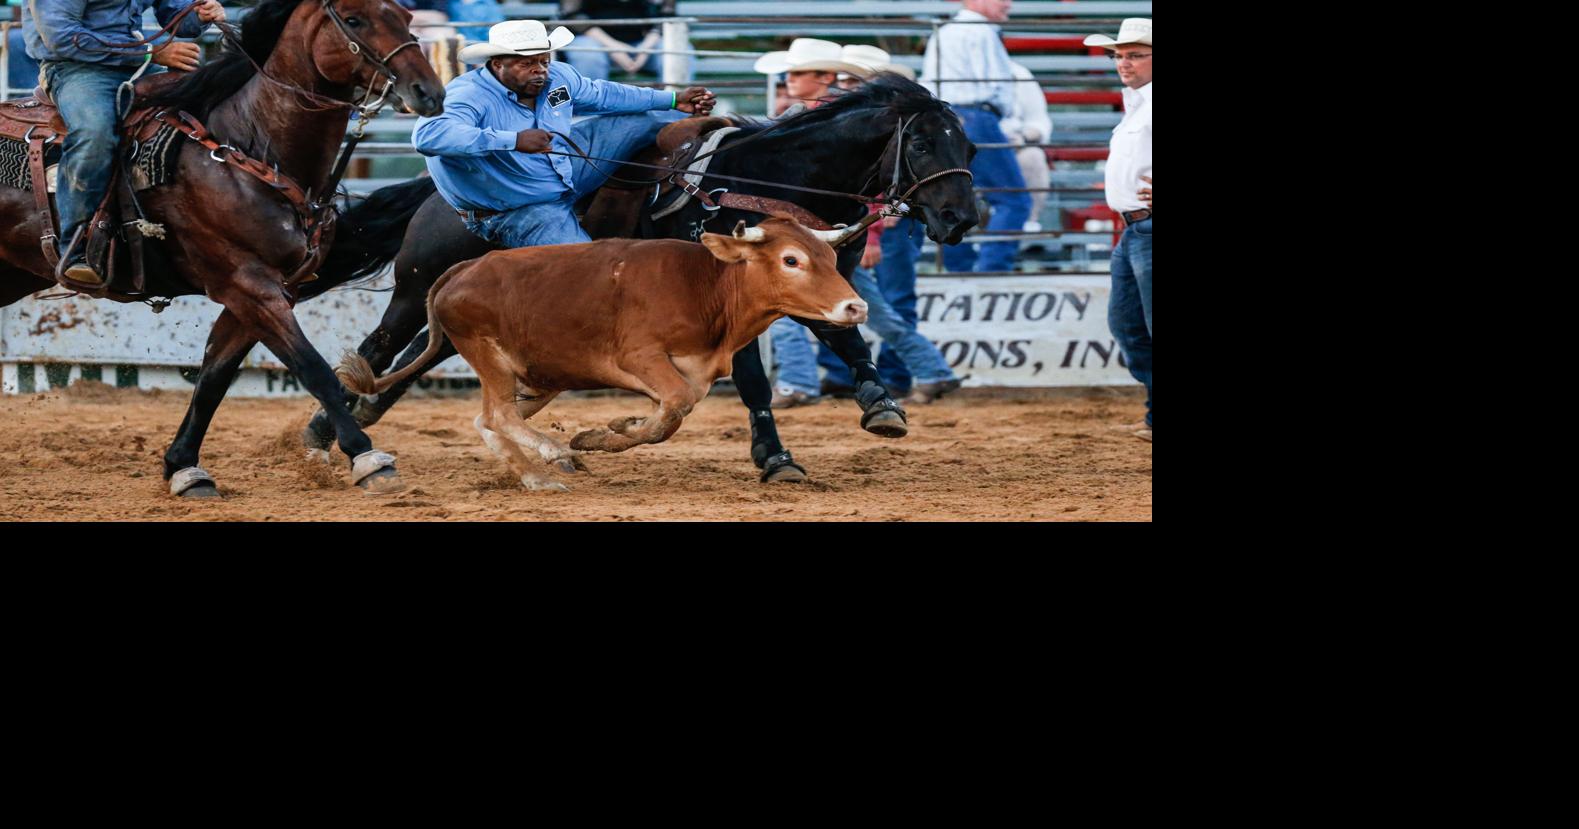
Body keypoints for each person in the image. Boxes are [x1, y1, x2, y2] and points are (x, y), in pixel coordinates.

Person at [412, 19, 715, 250]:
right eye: (527, 63)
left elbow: (604, 95)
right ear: (497, 64)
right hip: (516, 207)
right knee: (582, 265)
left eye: (544, 61)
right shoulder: (467, 94)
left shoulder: (557, 76)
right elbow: (429, 136)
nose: (540, 70)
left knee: (658, 118)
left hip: (566, 166)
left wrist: (674, 100)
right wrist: (513, 140)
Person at [22, 0, 226, 286]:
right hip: (75, 69)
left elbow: (173, 14)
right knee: (95, 132)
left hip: (135, 65)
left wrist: (198, 15)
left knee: (213, 110)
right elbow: (62, 39)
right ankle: (76, 246)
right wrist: (150, 52)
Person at [918, 0, 1031, 273]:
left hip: (943, 117)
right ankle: (992, 268)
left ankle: (961, 269)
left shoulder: (945, 31)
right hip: (976, 116)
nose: (1008, 3)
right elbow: (994, 85)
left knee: (952, 197)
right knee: (1014, 199)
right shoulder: (981, 32)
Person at [1084, 17, 1151, 441]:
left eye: (1135, 55)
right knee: (1128, 326)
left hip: (1144, 228)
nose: (1123, 63)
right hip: (1134, 229)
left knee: (1135, 326)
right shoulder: (1137, 101)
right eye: (1119, 56)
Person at [559, 0, 678, 81]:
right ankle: (588, 110)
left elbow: (667, 15)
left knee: (676, 49)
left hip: (643, 43)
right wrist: (613, 47)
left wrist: (645, 49)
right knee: (587, 54)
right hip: (592, 38)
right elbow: (572, 15)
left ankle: (677, 110)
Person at [1000, 60, 1051, 232]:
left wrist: (1022, 137)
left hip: (1013, 144)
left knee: (1033, 156)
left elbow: (1039, 122)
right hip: (964, 147)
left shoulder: (1018, 73)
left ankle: (1028, 223)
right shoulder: (949, 69)